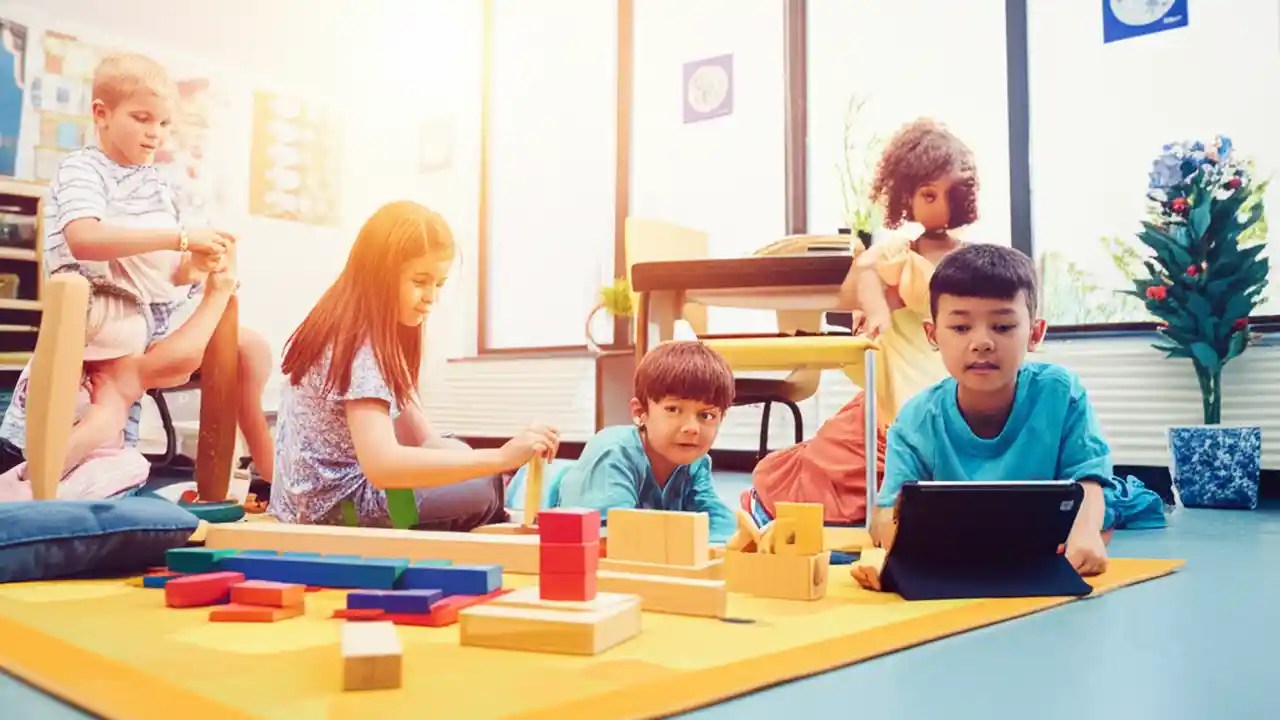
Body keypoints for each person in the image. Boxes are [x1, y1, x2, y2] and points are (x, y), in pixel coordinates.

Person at [0, 52, 276, 488]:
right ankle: (36, 477)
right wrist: (180, 239)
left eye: (164, 123)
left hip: (151, 314)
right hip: (105, 311)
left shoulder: (157, 183)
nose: (155, 133)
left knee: (253, 349)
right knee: (115, 406)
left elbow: (171, 273)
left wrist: (195, 264)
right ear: (101, 114)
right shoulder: (83, 169)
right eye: (142, 118)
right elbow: (85, 238)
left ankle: (269, 476)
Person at [851, 244, 1167, 591]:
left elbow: (1088, 478)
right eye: (960, 327)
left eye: (1002, 326)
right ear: (932, 334)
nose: (982, 342)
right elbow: (887, 512)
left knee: (1113, 507)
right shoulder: (916, 419)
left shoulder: (1060, 392)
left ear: (1035, 333)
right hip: (962, 543)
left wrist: (1086, 532)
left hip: (1051, 528)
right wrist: (896, 558)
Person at [269, 200, 560, 529]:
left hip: (319, 505)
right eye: (420, 281)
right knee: (481, 487)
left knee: (462, 457)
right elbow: (383, 466)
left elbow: (422, 439)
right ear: (379, 275)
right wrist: (500, 458)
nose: (431, 297)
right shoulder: (360, 345)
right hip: (340, 511)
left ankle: (485, 493)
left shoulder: (367, 331)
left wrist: (500, 455)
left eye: (439, 284)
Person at [747, 118, 978, 525]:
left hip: (949, 376)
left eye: (950, 194)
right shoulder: (901, 255)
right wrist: (878, 312)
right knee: (851, 453)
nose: (940, 206)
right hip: (902, 376)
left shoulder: (971, 259)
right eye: (928, 194)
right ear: (907, 198)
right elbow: (867, 271)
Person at [0, 262, 241, 501]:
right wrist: (217, 295)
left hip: (16, 450)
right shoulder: (113, 374)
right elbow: (182, 361)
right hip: (55, 471)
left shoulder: (53, 357)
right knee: (131, 465)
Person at [507, 341, 739, 543]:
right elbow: (609, 533)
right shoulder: (614, 451)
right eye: (673, 409)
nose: (692, 427)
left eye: (707, 415)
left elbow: (722, 527)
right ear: (640, 412)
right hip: (528, 501)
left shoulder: (697, 463)